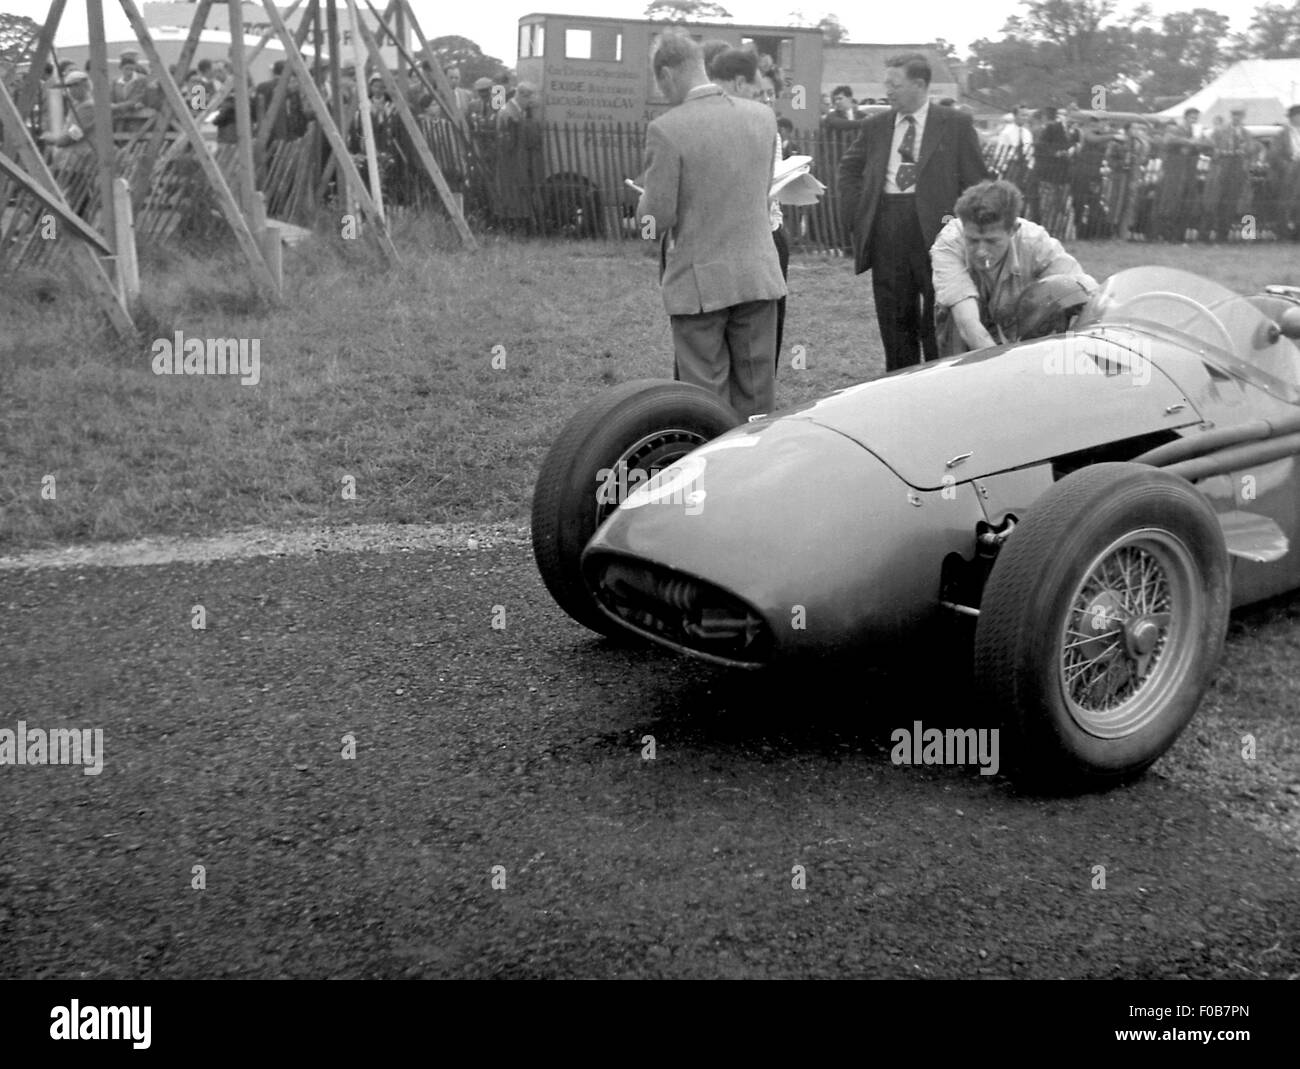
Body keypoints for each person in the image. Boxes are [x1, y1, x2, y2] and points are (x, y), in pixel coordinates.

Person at [636, 33, 785, 419]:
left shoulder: (667, 129)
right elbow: (762, 190)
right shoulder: (762, 116)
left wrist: (641, 206)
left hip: (701, 284)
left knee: (706, 400)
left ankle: (716, 474)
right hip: (757, 275)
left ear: (667, 73)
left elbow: (657, 220)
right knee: (756, 399)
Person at [837, 53, 988, 371]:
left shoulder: (955, 124)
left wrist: (973, 234)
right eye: (886, 84)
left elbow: (977, 182)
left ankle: (936, 379)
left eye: (895, 84)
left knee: (938, 312)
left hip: (938, 230)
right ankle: (899, 381)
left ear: (920, 85)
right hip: (887, 226)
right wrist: (858, 215)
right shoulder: (875, 125)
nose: (888, 91)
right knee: (894, 315)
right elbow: (849, 169)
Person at [930, 179, 1097, 354]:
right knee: (955, 327)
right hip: (964, 334)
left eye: (991, 241)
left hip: (1015, 330)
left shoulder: (1035, 242)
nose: (981, 251)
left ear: (1013, 230)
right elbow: (968, 325)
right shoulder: (948, 243)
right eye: (972, 240)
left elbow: (1084, 290)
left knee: (1058, 293)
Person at [494, 81, 542, 233]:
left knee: (517, 196)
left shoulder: (518, 111)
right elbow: (506, 142)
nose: (530, 103)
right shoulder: (507, 112)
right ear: (521, 95)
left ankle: (515, 226)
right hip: (510, 163)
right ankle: (510, 228)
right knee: (511, 196)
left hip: (518, 162)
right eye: (529, 99)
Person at [1201, 106, 1255, 241]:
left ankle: (1223, 235)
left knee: (1231, 204)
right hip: (1220, 170)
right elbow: (1207, 148)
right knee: (1212, 203)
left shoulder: (1246, 134)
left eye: (1239, 116)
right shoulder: (1220, 132)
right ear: (1231, 117)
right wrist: (1220, 153)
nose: (1237, 118)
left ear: (1243, 118)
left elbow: (1253, 150)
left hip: (1237, 172)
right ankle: (1204, 235)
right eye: (1234, 115)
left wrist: (1246, 153)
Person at [1266, 104, 1300, 241]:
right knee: (1286, 203)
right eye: (1298, 116)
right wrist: (1287, 165)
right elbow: (1273, 155)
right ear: (1292, 118)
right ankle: (1283, 233)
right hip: (1288, 174)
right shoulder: (1281, 134)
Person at [1034, 106, 1070, 235]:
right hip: (1050, 172)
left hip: (1059, 173)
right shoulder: (1052, 128)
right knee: (1048, 204)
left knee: (1057, 205)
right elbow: (1041, 146)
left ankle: (1055, 230)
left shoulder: (1064, 129)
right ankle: (1049, 230)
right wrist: (1056, 152)